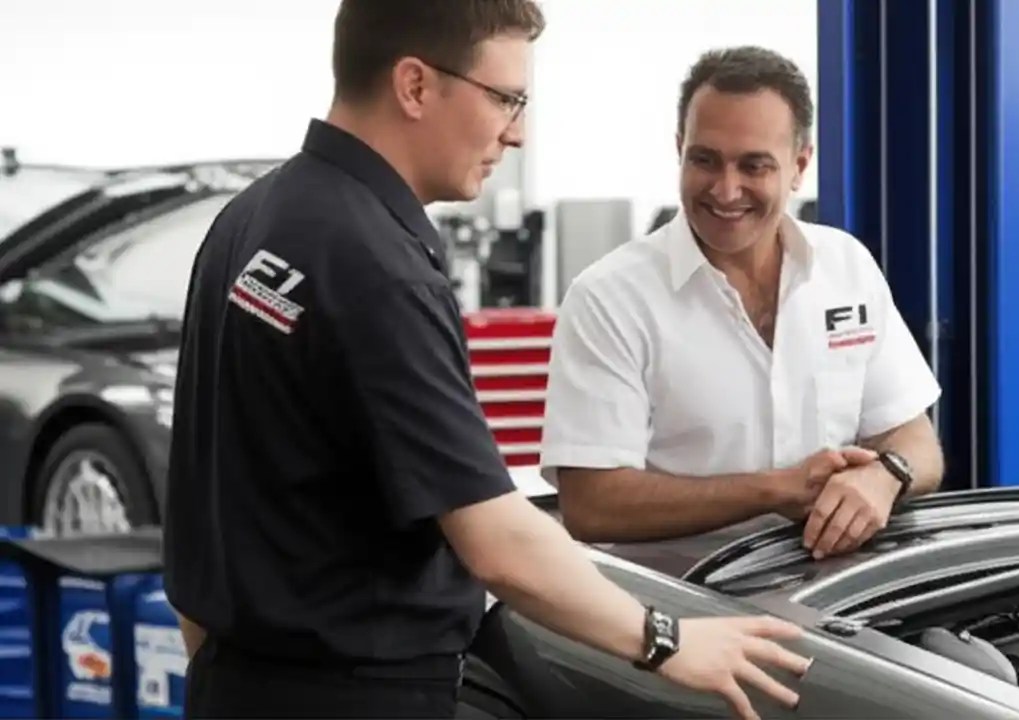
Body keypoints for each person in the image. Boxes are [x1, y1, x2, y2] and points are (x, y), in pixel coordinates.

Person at [163, 5, 810, 719]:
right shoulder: (376, 265)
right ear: (414, 85)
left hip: (235, 682)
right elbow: (496, 539)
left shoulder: (252, 219)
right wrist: (669, 641)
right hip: (356, 694)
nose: (519, 131)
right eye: (506, 98)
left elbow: (202, 492)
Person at [541, 46, 946, 560]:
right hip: (681, 612)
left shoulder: (846, 266)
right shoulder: (610, 298)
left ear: (800, 165)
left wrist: (887, 475)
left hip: (841, 596)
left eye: (754, 166)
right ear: (678, 150)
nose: (726, 190)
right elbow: (591, 504)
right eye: (704, 160)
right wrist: (776, 490)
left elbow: (914, 438)